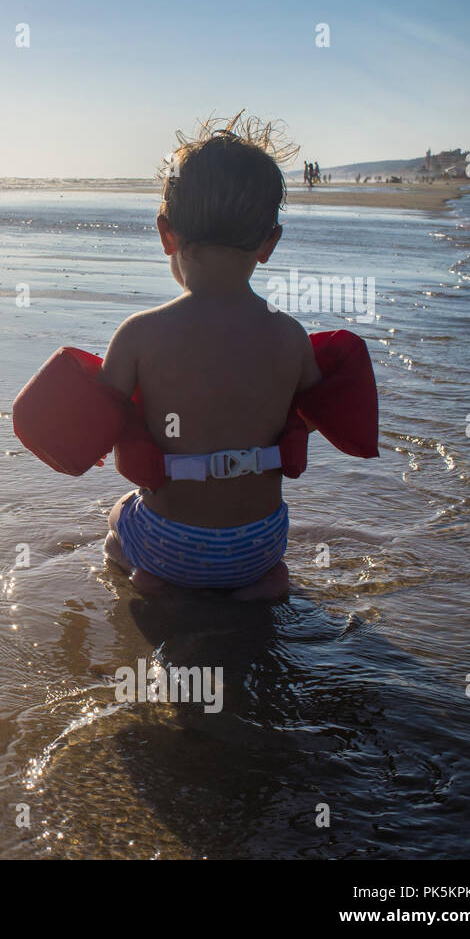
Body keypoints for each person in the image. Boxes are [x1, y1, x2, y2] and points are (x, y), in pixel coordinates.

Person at [98, 117, 322, 600]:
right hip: (259, 545)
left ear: (166, 235)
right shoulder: (289, 335)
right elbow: (313, 413)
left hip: (171, 543)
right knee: (259, 558)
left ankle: (156, 580)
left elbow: (98, 420)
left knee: (117, 518)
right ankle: (265, 582)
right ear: (269, 243)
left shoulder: (139, 334)